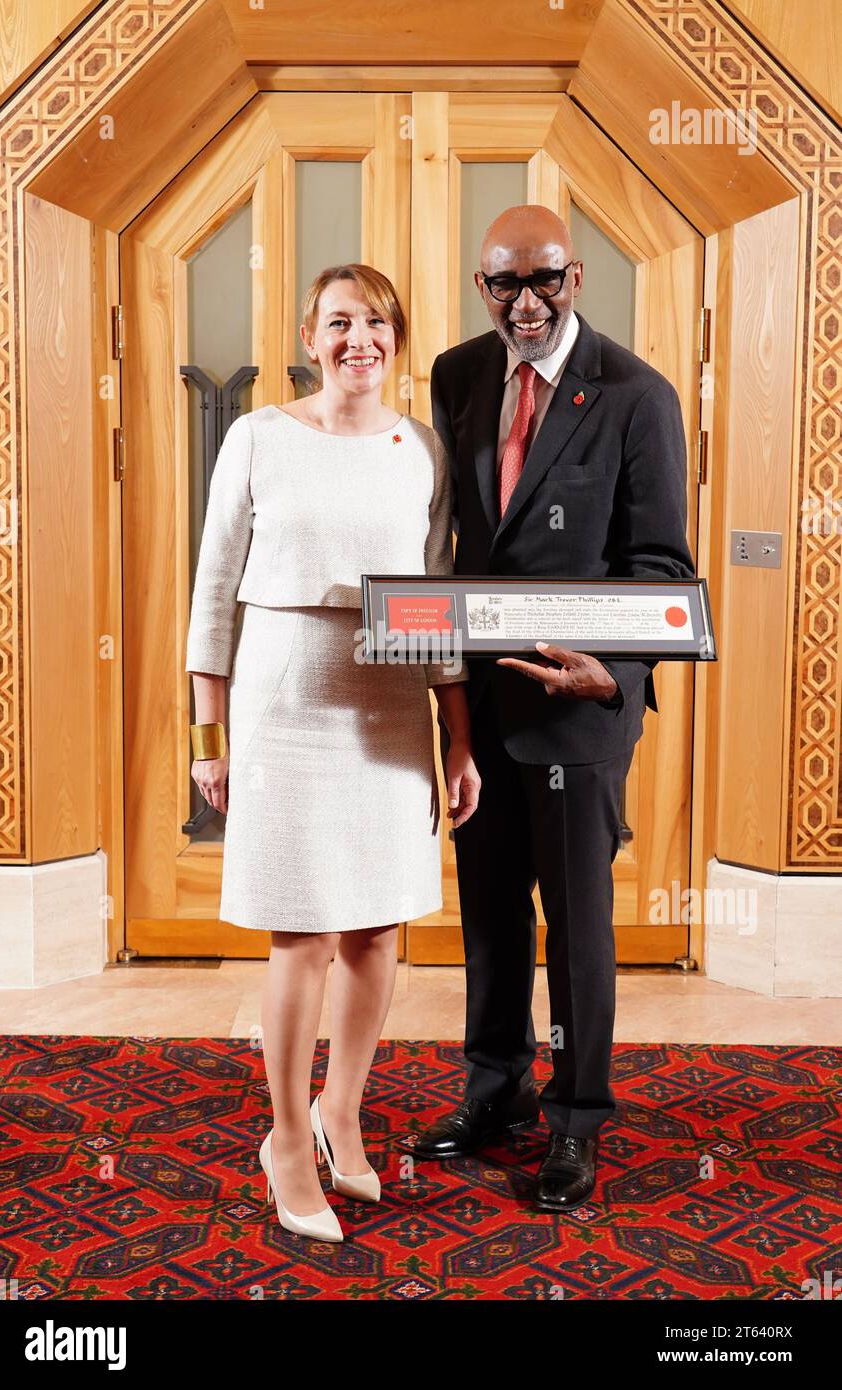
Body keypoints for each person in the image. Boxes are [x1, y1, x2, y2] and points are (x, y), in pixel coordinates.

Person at [185, 263, 479, 1242]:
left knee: (377, 930)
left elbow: (436, 602)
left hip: (390, 707)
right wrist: (207, 737)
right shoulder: (259, 436)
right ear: (310, 338)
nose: (361, 338)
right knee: (302, 931)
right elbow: (213, 587)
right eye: (341, 321)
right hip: (282, 705)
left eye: (378, 321)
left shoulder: (419, 449)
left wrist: (459, 741)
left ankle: (341, 1111)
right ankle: (281, 1136)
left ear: (398, 337)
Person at [410, 205, 695, 1211]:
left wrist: (610, 668)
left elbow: (664, 568)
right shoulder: (456, 374)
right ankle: (497, 1091)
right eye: (503, 284)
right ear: (481, 286)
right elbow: (453, 536)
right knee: (488, 917)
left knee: (574, 929)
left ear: (577, 277)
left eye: (544, 281)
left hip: (581, 710)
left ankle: (576, 1120)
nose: (524, 303)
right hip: (479, 705)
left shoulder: (638, 396)